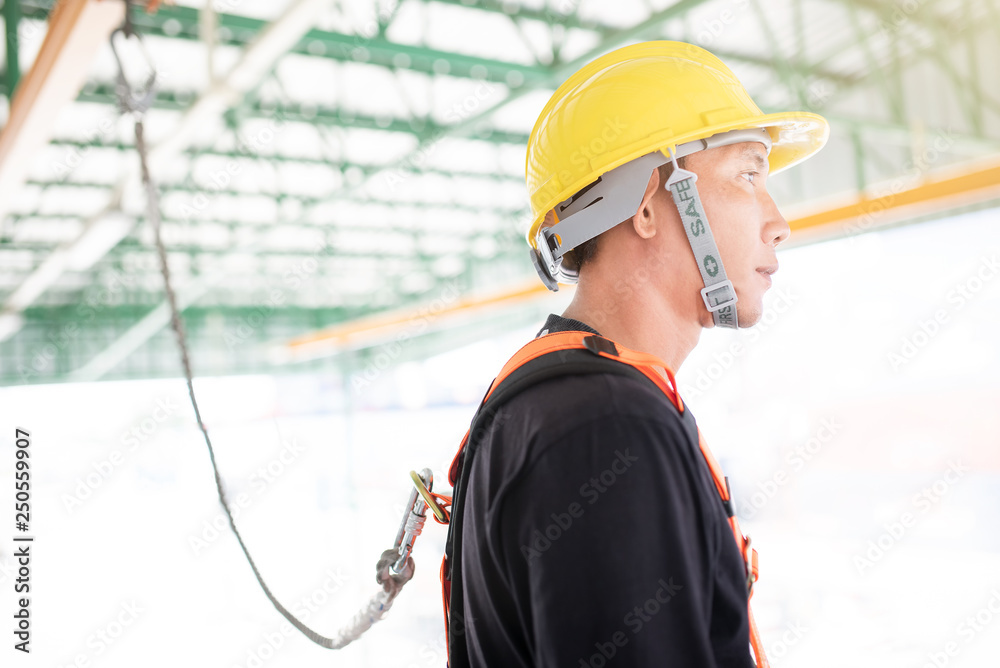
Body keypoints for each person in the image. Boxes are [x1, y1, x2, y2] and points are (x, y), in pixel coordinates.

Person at [445, 41, 828, 667]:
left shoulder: (562, 399)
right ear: (649, 203)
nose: (778, 220)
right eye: (748, 175)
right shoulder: (607, 427)